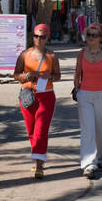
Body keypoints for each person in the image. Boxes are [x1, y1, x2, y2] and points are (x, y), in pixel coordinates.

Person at [14, 24, 61, 179]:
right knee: (31, 131)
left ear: (48, 38)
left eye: (42, 37)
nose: (39, 39)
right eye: (36, 36)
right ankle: (38, 155)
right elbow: (16, 75)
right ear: (32, 36)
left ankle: (39, 164)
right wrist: (27, 76)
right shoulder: (24, 55)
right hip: (28, 96)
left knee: (41, 131)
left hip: (46, 96)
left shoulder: (52, 56)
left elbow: (58, 75)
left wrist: (50, 76)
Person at [73, 24, 102, 179]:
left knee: (99, 128)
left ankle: (96, 156)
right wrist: (77, 88)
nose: (91, 38)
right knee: (87, 129)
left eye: (94, 35)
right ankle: (89, 164)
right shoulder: (81, 53)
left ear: (101, 37)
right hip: (85, 94)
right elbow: (77, 73)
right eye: (89, 35)